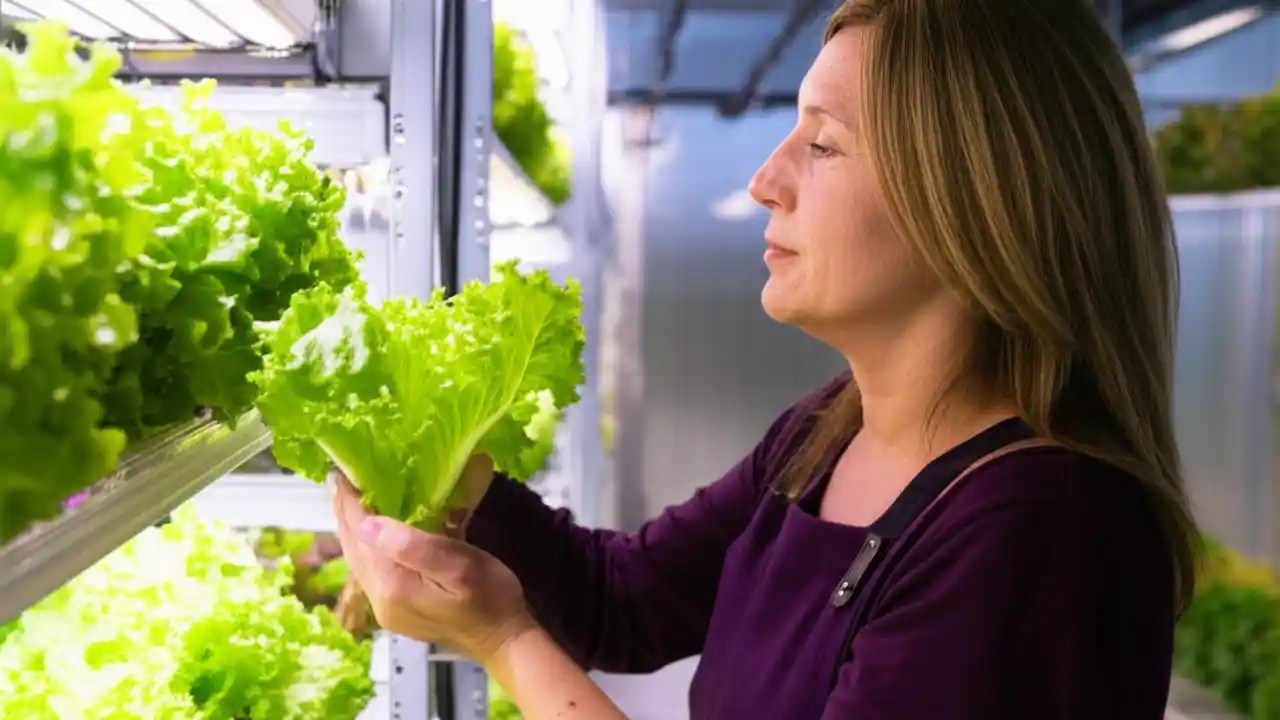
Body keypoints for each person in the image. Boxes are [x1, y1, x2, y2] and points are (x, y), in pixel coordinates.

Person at [331, 0, 1199, 717]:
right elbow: (623, 601)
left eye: (821, 144)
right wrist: (446, 481)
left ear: (974, 201)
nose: (763, 179)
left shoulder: (1042, 528)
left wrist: (504, 641)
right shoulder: (830, 431)